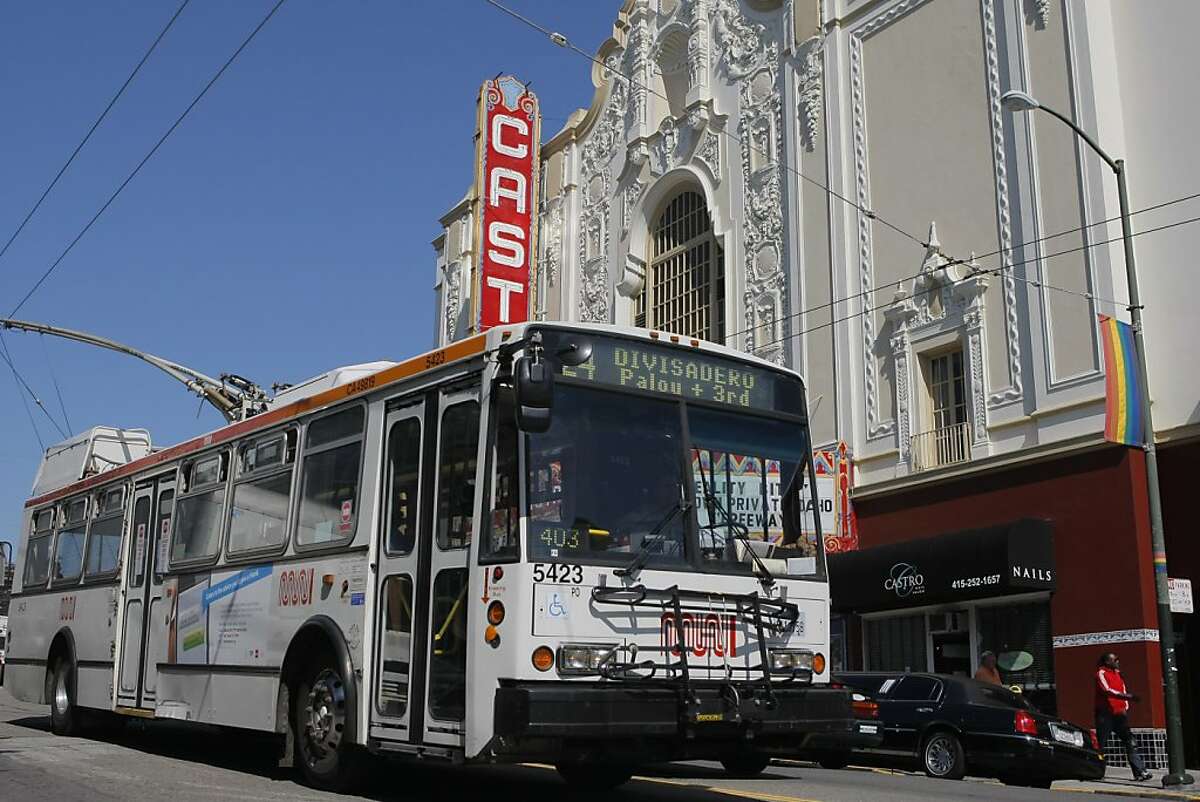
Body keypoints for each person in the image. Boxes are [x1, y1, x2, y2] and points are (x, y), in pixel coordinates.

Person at [1094, 652, 1152, 781]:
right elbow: (1107, 690)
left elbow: (1123, 689)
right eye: (1115, 659)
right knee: (1101, 744)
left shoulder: (1118, 674)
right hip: (1105, 714)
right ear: (1107, 662)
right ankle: (1096, 772)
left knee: (1130, 741)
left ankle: (1140, 772)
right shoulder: (1101, 673)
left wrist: (1125, 707)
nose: (1118, 661)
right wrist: (1128, 697)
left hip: (1119, 714)